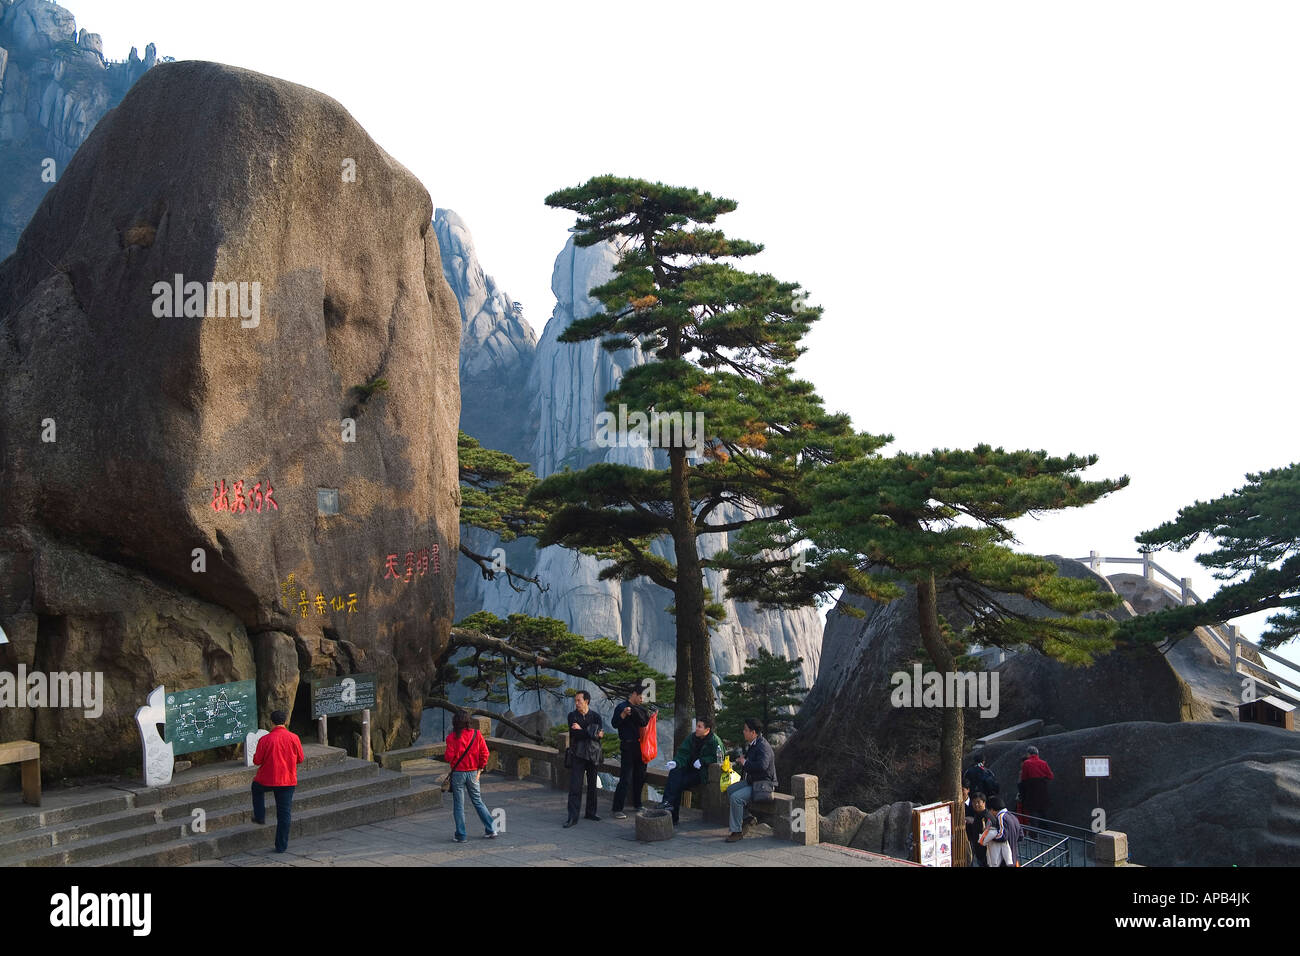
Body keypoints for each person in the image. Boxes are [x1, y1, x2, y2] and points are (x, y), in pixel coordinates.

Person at [250, 709, 305, 853]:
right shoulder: (294, 738)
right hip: (287, 781)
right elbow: (300, 759)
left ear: (271, 722)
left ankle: (260, 816)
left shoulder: (265, 739)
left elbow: (256, 761)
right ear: (285, 722)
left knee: (256, 788)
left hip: (267, 780)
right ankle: (281, 846)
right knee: (284, 814)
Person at [658, 715, 723, 825]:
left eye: (699, 727)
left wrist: (703, 761)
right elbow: (683, 752)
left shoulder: (715, 741)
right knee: (675, 771)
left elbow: (718, 758)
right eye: (697, 726)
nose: (696, 728)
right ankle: (667, 803)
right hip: (688, 768)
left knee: (677, 784)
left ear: (707, 730)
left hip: (701, 773)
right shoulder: (692, 737)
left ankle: (671, 812)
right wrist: (676, 762)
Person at [445, 709, 496, 843]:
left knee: (459, 805)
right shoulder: (476, 734)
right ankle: (491, 829)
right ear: (469, 722)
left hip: (458, 774)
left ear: (455, 722)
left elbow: (448, 757)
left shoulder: (451, 738)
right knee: (478, 801)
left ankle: (461, 835)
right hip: (473, 773)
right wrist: (480, 769)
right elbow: (485, 753)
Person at [725, 717, 776, 843]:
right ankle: (747, 818)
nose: (743, 732)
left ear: (753, 733)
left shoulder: (763, 746)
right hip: (753, 781)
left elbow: (762, 767)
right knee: (730, 789)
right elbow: (750, 760)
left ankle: (737, 831)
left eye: (745, 730)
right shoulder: (754, 743)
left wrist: (745, 763)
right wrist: (740, 760)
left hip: (763, 784)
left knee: (736, 798)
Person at [563, 691, 604, 827]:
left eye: (579, 700)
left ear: (586, 701)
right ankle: (572, 816)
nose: (576, 703)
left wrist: (584, 730)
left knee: (593, 785)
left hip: (592, 754)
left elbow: (599, 734)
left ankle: (591, 812)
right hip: (578, 754)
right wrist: (591, 732)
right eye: (575, 701)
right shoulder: (572, 716)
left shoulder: (596, 716)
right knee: (575, 786)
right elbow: (576, 733)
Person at [610, 684, 650, 819]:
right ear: (634, 694)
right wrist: (623, 715)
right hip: (627, 746)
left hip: (640, 746)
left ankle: (637, 804)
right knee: (625, 778)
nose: (642, 700)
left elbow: (644, 722)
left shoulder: (640, 709)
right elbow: (614, 723)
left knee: (640, 776)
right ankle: (617, 808)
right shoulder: (621, 707)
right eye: (641, 697)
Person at [1018, 745, 1054, 821]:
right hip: (1043, 791)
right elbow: (1051, 776)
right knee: (1043, 812)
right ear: (1037, 754)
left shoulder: (1026, 763)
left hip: (1031, 791)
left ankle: (1034, 832)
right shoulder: (1043, 763)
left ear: (1029, 754)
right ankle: (1045, 830)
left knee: (1033, 814)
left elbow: (1024, 778)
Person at [983, 796, 1021, 867]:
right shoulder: (1013, 817)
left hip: (1004, 858)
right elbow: (1021, 836)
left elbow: (1002, 836)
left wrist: (989, 837)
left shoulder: (1001, 817)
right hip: (1014, 856)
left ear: (991, 809)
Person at [965, 791, 989, 867]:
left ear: (984, 802)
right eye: (974, 802)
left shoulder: (986, 817)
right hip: (978, 850)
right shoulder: (977, 815)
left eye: (978, 802)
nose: (976, 805)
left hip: (985, 853)